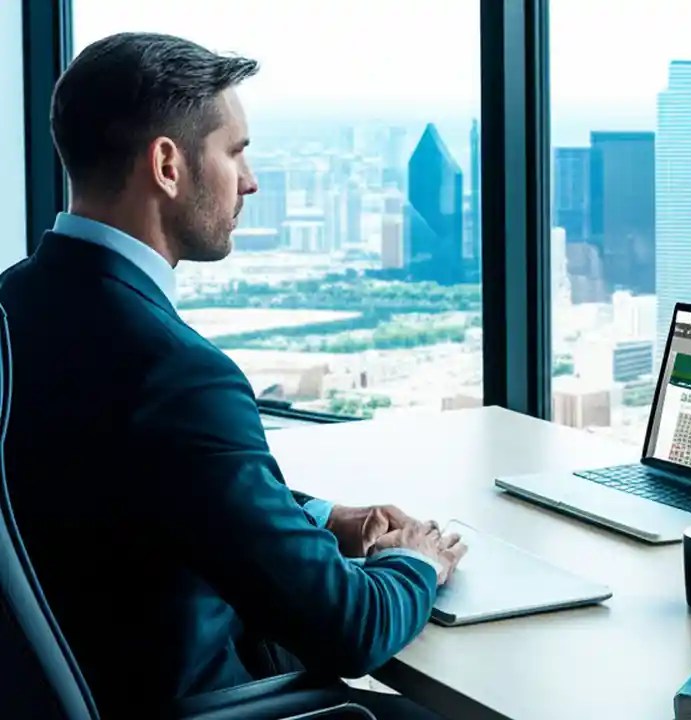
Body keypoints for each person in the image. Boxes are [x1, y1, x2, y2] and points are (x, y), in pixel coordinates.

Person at [0, 32, 464, 719]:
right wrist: (420, 560)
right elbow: (349, 631)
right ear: (167, 164)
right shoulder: (175, 374)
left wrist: (319, 517)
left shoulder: (16, 304)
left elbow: (146, 479)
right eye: (235, 152)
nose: (248, 181)